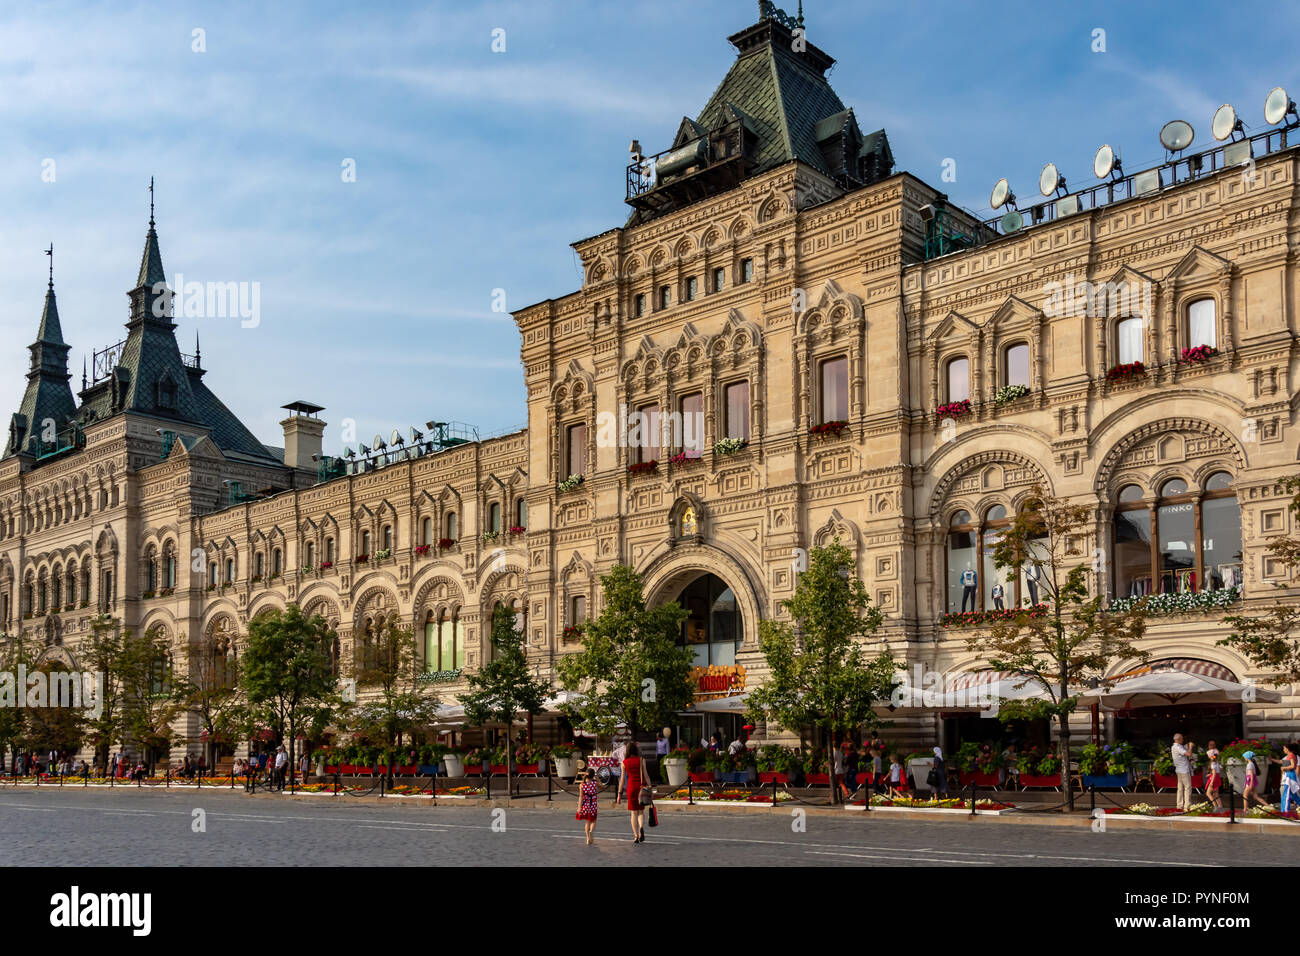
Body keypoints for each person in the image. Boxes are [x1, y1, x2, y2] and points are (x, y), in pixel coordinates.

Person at [616, 741, 648, 843]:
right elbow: (646, 775)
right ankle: (641, 828)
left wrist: (619, 794)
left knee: (633, 813)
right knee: (641, 811)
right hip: (641, 787)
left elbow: (622, 780)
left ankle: (635, 836)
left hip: (631, 787)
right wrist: (650, 787)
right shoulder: (642, 760)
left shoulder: (624, 763)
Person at [1171, 734, 1195, 812]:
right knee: (1187, 787)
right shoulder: (1177, 747)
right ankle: (1187, 806)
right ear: (1178, 739)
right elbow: (1189, 754)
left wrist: (1187, 746)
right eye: (1181, 739)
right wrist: (1190, 746)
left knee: (1180, 788)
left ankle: (1179, 805)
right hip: (1184, 770)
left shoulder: (1176, 746)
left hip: (1179, 770)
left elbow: (1184, 750)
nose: (1183, 740)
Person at [576, 766, 600, 845]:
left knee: (587, 821)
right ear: (593, 776)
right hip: (593, 804)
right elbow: (603, 786)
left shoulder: (582, 785)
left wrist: (579, 807)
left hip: (586, 804)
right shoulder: (594, 783)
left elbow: (580, 796)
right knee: (593, 820)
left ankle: (587, 838)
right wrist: (598, 779)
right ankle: (591, 832)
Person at [1275, 742, 1299, 814]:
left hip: (1290, 777)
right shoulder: (1289, 756)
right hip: (1288, 776)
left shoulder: (1291, 755)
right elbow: (1281, 762)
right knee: (1293, 795)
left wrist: (1283, 768)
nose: (1283, 750)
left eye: (1284, 748)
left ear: (1288, 749)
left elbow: (1293, 766)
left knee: (1286, 794)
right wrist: (1272, 759)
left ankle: (1285, 812)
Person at [1205, 741, 1223, 811]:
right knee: (1216, 794)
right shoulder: (1217, 763)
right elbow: (1216, 772)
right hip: (1217, 778)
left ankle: (1215, 806)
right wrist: (1210, 774)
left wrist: (1211, 782)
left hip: (1213, 779)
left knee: (1208, 793)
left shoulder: (1213, 764)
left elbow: (1214, 773)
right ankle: (1220, 807)